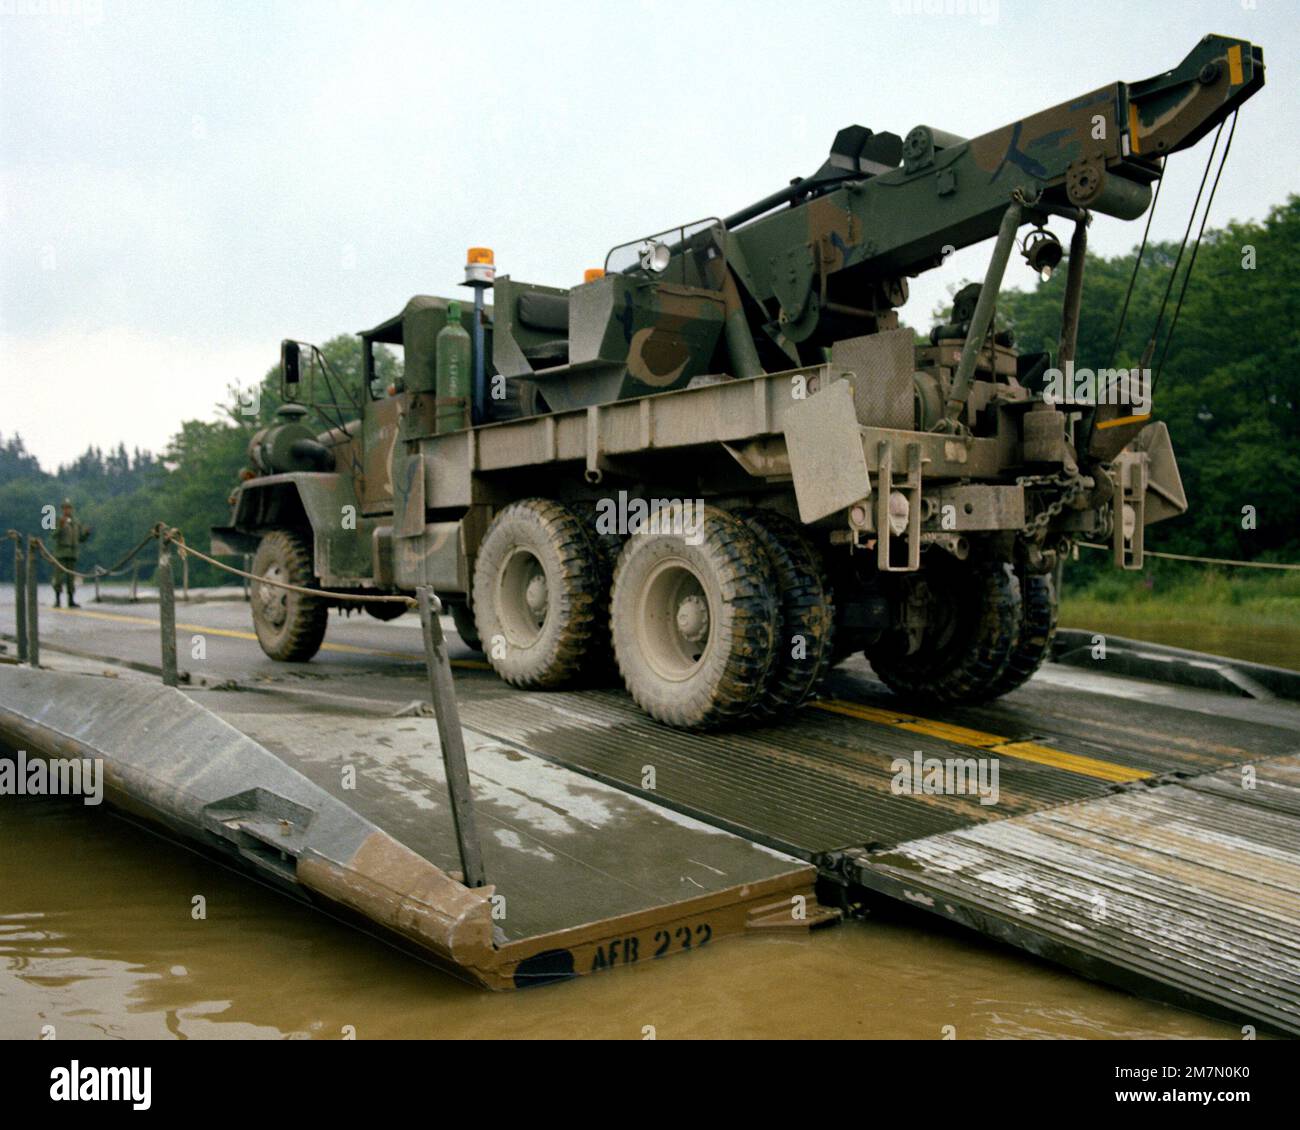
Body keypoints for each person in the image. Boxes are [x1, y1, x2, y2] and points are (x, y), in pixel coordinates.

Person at [52, 498, 91, 608]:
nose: (67, 510)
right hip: (61, 553)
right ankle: (57, 599)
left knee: (71, 578)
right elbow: (53, 535)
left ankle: (71, 600)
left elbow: (80, 539)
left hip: (72, 554)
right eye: (65, 508)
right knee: (58, 578)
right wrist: (60, 526)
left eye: (69, 508)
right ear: (62, 509)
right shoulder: (58, 520)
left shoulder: (76, 522)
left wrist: (86, 533)